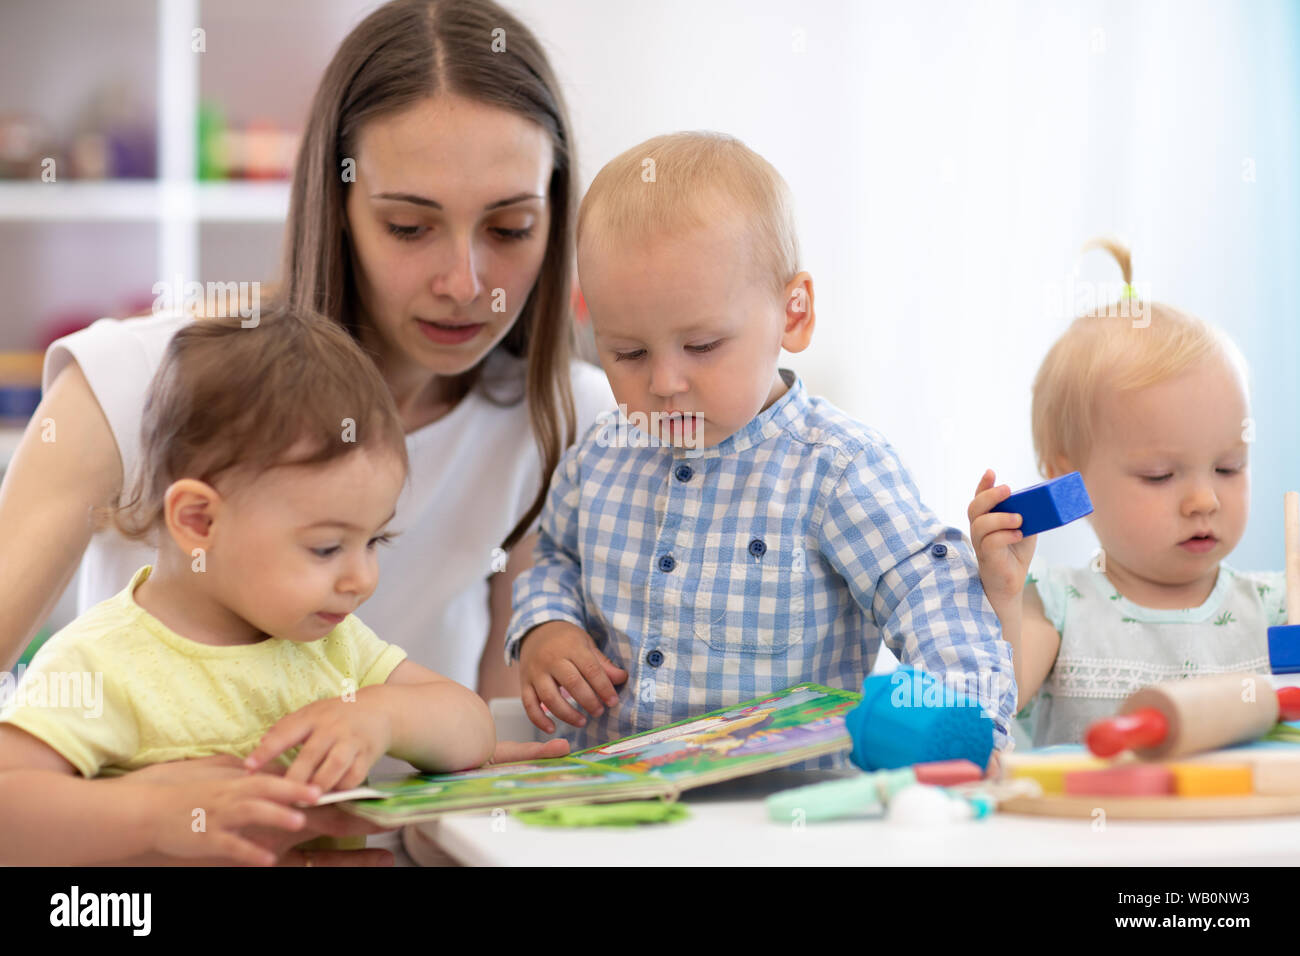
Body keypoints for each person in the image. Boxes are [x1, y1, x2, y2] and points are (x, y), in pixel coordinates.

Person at [506, 131, 1017, 761]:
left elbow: (931, 595)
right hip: (608, 806)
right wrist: (545, 627)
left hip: (782, 817)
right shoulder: (599, 456)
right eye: (628, 353)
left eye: (702, 346)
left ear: (792, 313)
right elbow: (554, 557)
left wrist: (965, 729)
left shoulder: (834, 469)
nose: (665, 384)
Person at [0, 308, 496, 866]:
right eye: (327, 548)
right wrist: (155, 818)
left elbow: (471, 726)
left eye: (375, 541)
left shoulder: (331, 647)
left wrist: (382, 717)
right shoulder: (99, 664)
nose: (362, 579)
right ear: (199, 522)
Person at [968, 238, 1288, 746]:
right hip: (1092, 825)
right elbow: (994, 702)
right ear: (1065, 481)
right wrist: (1004, 595)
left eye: (1229, 467)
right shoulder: (1056, 607)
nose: (1204, 500)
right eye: (1161, 475)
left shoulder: (1280, 608)